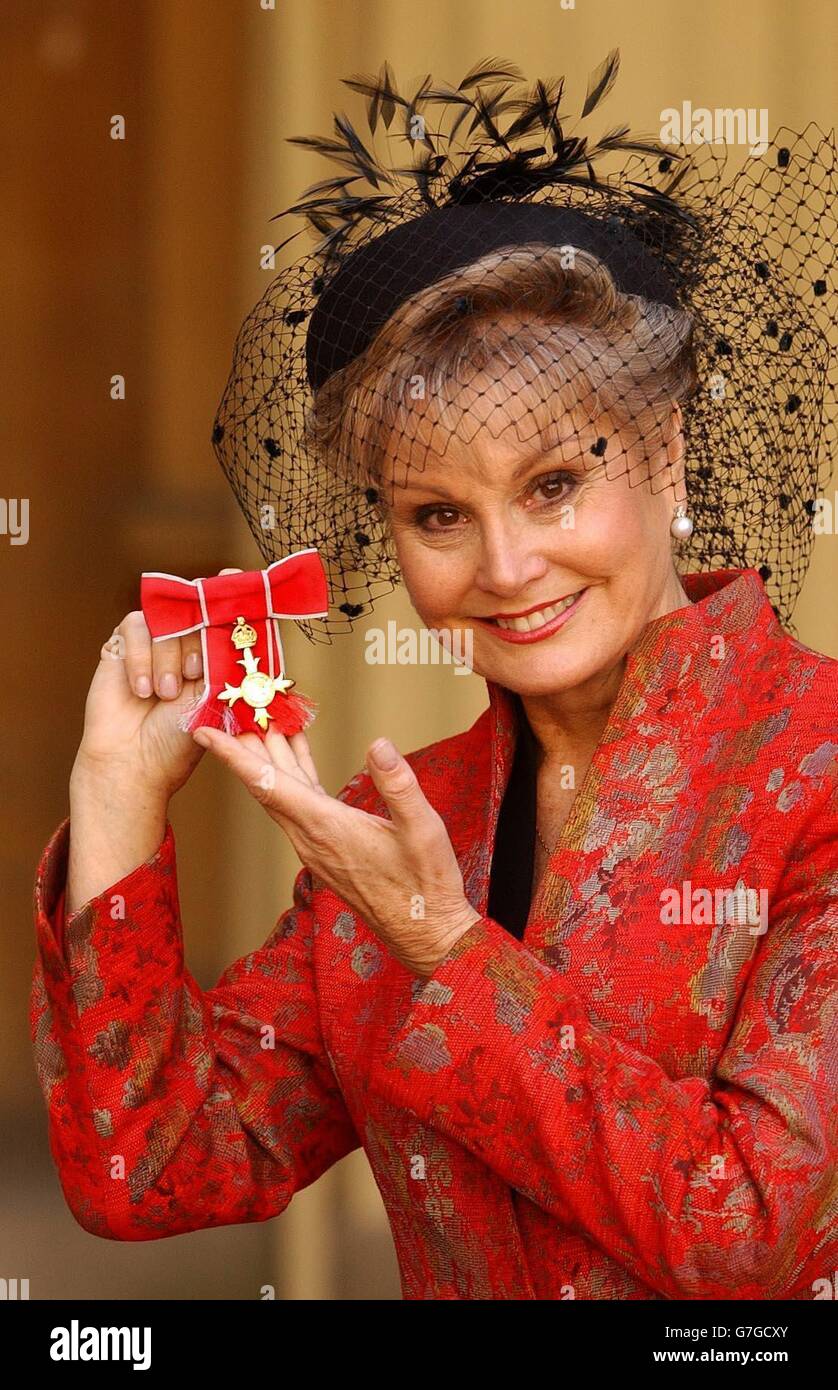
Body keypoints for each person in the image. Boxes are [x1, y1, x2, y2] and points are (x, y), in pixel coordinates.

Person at [31, 56, 836, 1299]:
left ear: (668, 456)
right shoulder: (413, 825)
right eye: (437, 513)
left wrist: (442, 943)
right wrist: (117, 800)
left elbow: (742, 1231)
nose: (507, 566)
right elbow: (148, 1169)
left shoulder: (817, 767)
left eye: (555, 484)